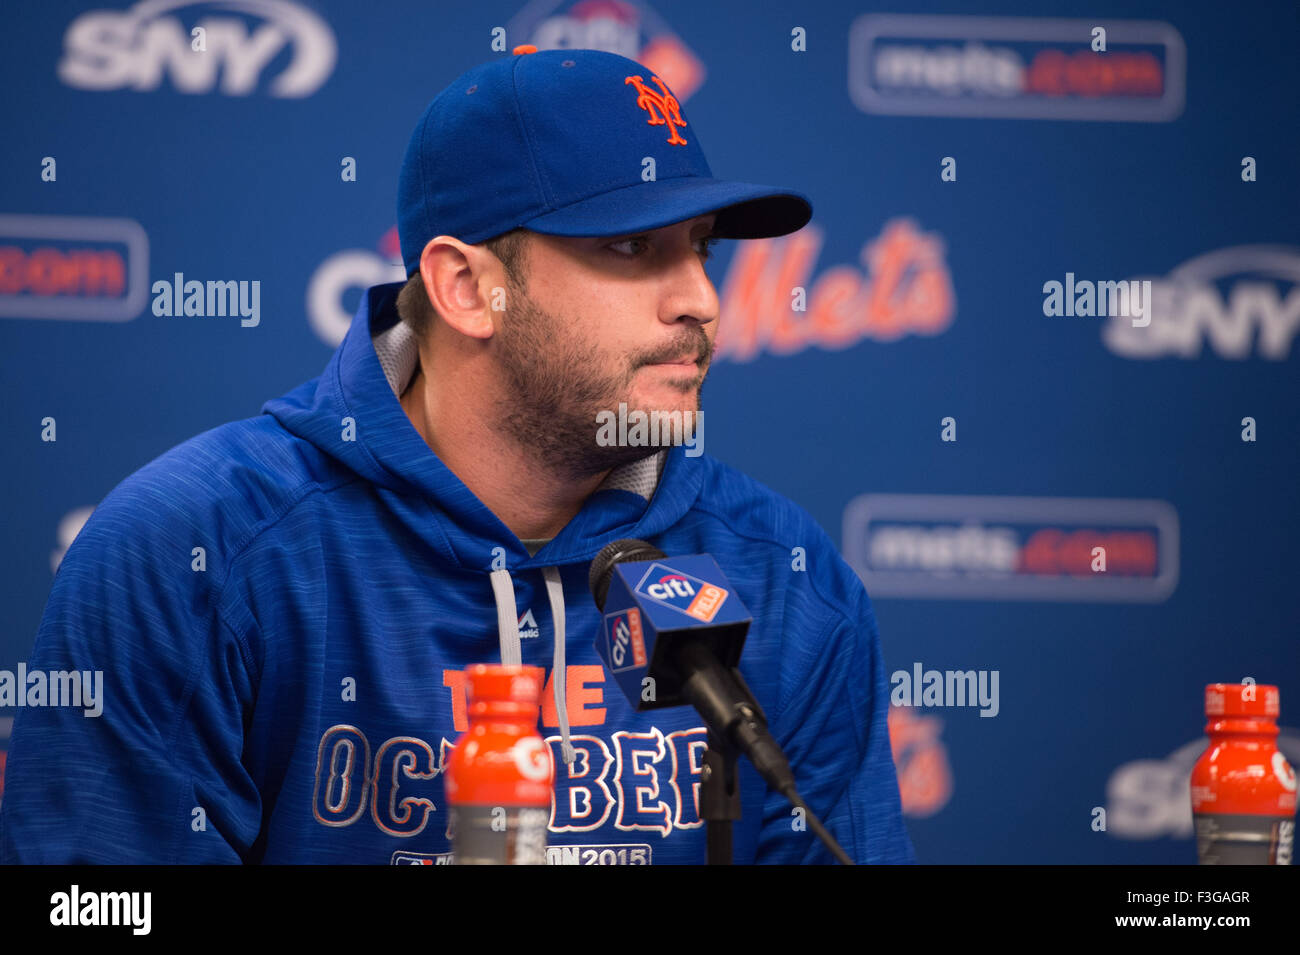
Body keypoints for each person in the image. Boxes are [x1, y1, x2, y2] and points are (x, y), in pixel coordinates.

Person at [0, 47, 914, 864]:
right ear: (467, 288)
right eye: (633, 246)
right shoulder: (194, 550)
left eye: (701, 249)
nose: (702, 302)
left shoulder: (787, 576)